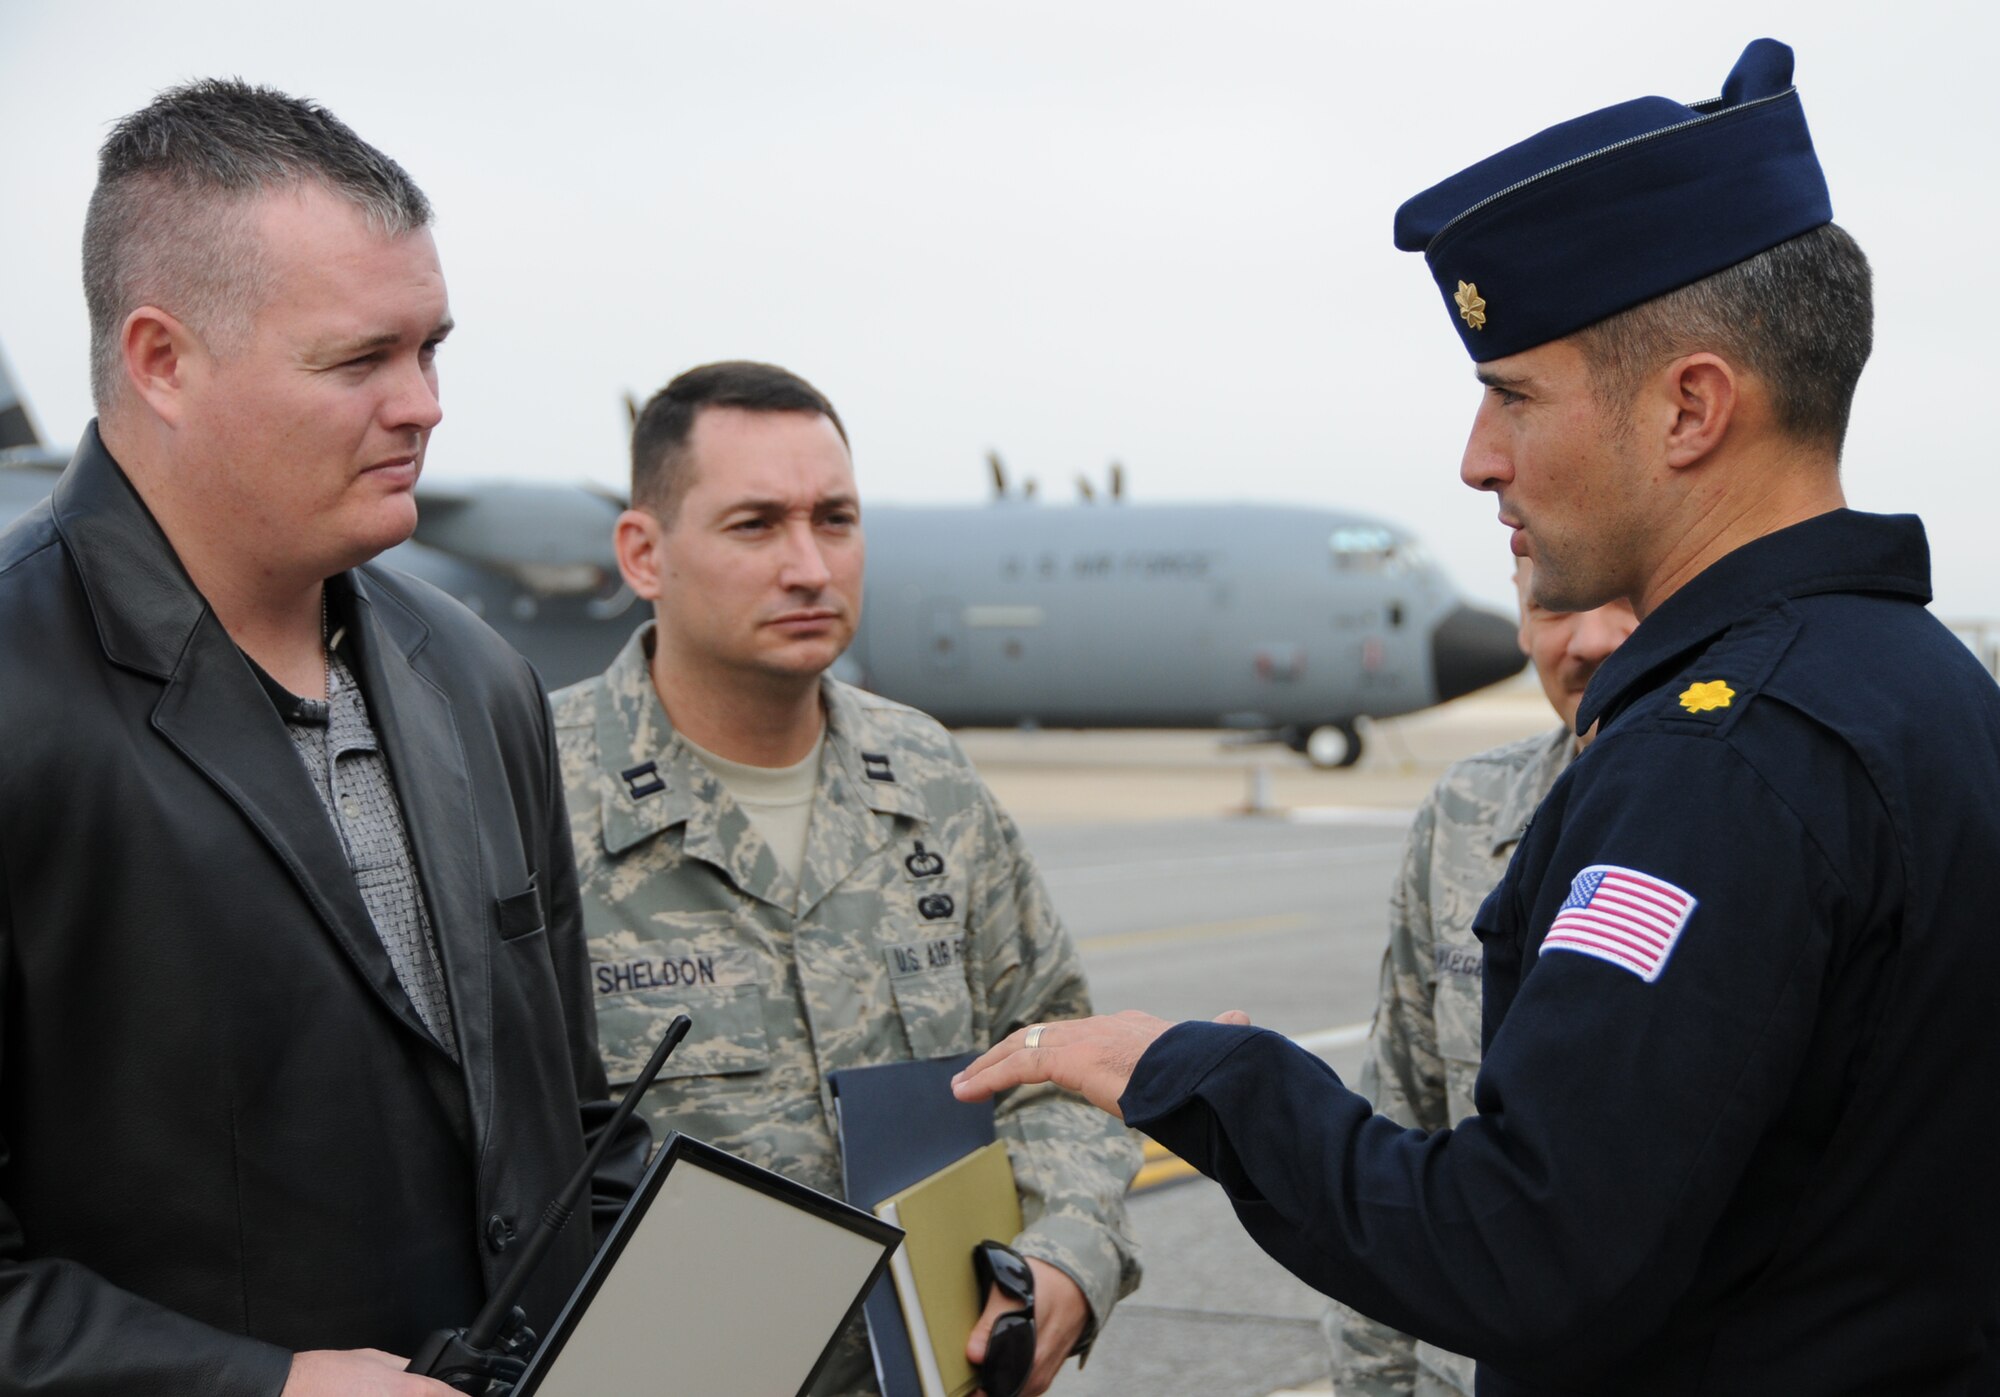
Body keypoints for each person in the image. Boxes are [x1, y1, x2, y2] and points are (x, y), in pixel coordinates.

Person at [953, 38, 2000, 1394]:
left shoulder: (1719, 760)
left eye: (1513, 395)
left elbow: (1523, 1250)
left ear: (1691, 406)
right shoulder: (1925, 688)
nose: (1477, 458)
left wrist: (1196, 1072)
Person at [0, 81, 645, 1395]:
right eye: (360, 361)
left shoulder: (475, 677)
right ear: (163, 362)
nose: (423, 405)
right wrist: (266, 1386)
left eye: (432, 349)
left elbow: (571, 1129)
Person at [553, 361, 1141, 1397]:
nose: (808, 566)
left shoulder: (927, 779)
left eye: (834, 519)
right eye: (754, 525)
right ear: (643, 553)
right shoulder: (528, 795)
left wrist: (1064, 1257)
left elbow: (1056, 1060)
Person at [1329, 558, 1636, 1396]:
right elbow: (1397, 1122)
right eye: (1553, 605)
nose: (1590, 641)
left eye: (1628, 600)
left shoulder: (1772, 809)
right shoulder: (1465, 813)